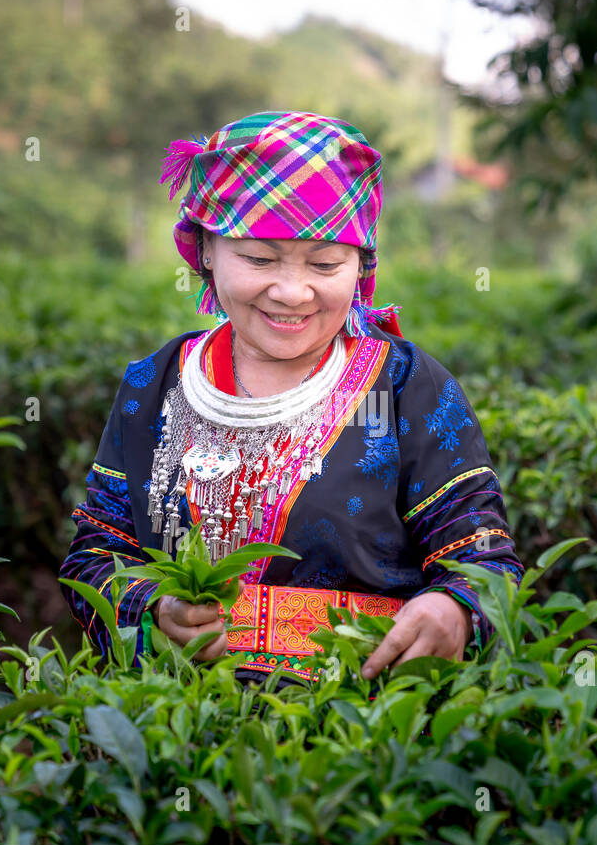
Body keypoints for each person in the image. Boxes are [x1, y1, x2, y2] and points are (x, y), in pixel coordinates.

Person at [59, 110, 524, 689]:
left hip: (362, 719)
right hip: (176, 720)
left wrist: (453, 609)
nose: (292, 292)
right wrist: (156, 609)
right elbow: (96, 556)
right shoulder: (155, 386)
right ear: (206, 249)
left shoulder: (408, 388)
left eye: (325, 264)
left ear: (361, 265)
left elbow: (484, 561)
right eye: (259, 259)